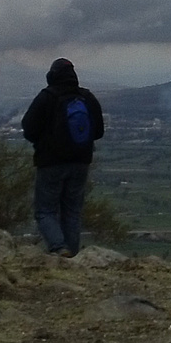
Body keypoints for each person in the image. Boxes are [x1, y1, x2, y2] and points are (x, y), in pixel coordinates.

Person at [21, 58, 105, 256]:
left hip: (51, 163)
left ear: (52, 76)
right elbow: (99, 131)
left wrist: (43, 143)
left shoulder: (47, 97)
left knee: (45, 211)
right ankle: (72, 256)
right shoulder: (87, 97)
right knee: (72, 212)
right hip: (81, 163)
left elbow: (29, 127)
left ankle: (58, 247)